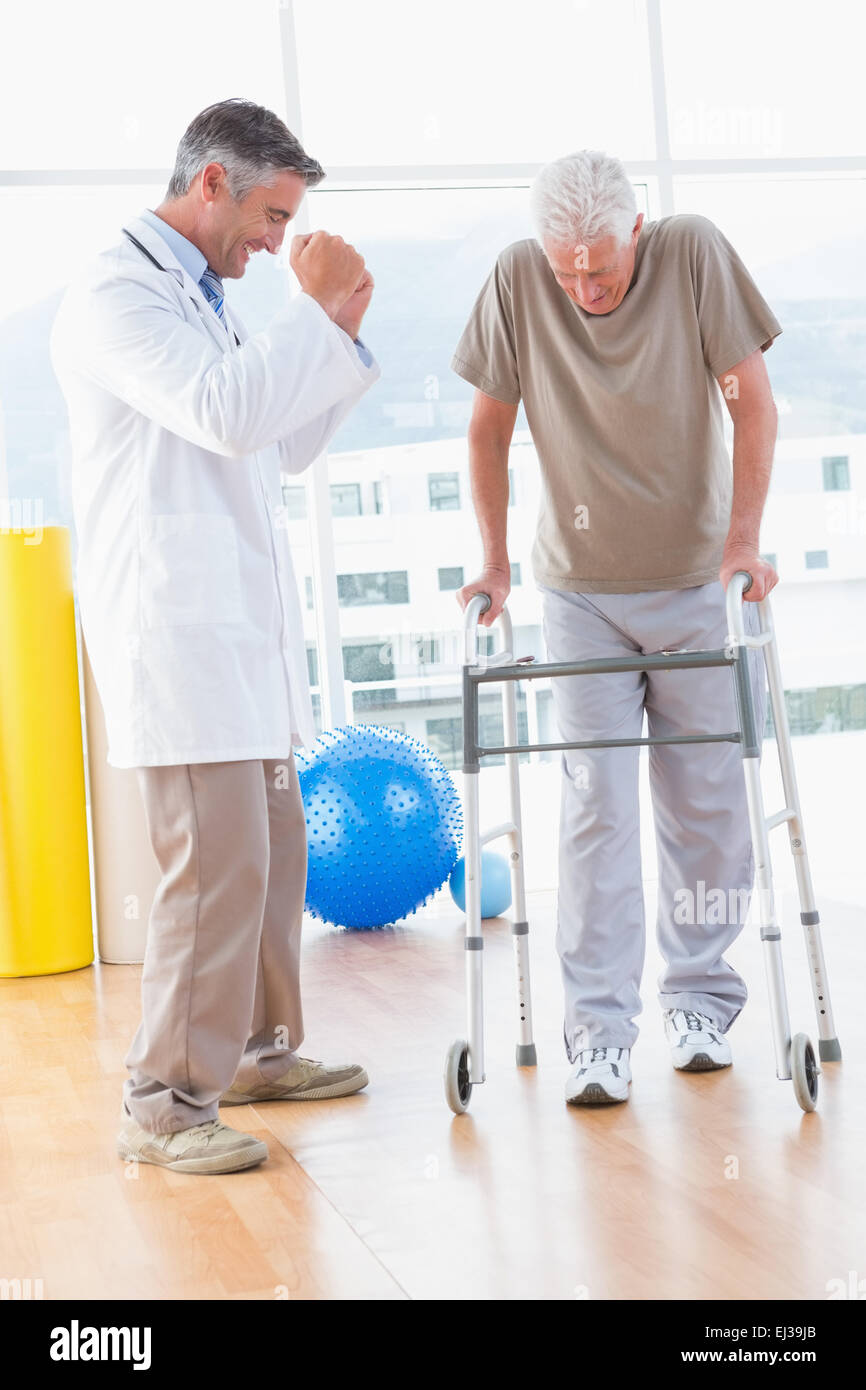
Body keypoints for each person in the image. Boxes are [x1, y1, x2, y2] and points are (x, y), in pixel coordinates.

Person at [50, 98, 380, 1173]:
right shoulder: (114, 292)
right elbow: (228, 411)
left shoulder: (209, 297)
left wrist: (335, 331)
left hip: (239, 638)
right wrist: (308, 314)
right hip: (175, 636)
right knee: (213, 871)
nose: (276, 241)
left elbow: (276, 443)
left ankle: (254, 1053)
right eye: (270, 216)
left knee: (271, 856)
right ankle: (161, 1099)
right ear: (211, 184)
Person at [451, 149, 779, 1105]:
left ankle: (701, 1001)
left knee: (706, 805)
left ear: (637, 230)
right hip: (579, 594)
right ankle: (597, 1032)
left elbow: (751, 401)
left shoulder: (693, 254)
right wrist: (494, 558)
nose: (584, 286)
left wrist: (745, 543)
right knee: (597, 810)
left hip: (695, 585)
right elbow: (486, 427)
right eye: (569, 269)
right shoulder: (520, 277)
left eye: (601, 265)